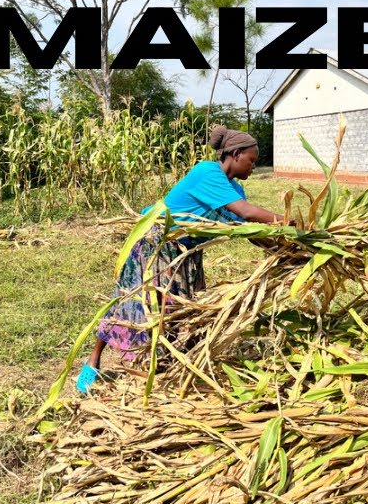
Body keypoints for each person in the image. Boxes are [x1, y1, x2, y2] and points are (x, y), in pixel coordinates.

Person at [77, 124, 282, 394]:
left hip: (186, 254)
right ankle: (92, 362)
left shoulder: (235, 190)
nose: (253, 167)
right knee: (131, 302)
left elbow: (248, 229)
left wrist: (284, 249)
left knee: (179, 310)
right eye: (251, 160)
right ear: (235, 154)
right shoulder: (207, 172)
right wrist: (289, 222)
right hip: (158, 245)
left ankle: (165, 362)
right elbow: (246, 212)